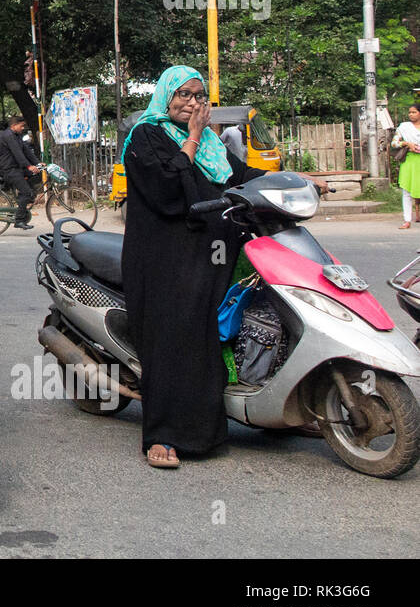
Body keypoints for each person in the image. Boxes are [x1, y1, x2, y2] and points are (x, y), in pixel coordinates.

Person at [120, 67, 326, 469]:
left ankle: (271, 410)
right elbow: (166, 190)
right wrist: (194, 137)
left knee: (248, 319)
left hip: (214, 251)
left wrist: (296, 179)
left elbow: (242, 176)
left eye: (199, 95)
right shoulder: (146, 137)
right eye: (183, 94)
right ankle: (163, 434)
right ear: (165, 96)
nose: (193, 103)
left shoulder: (213, 145)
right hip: (166, 260)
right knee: (177, 337)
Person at [0, 115, 42, 229]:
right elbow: (18, 153)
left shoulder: (16, 135)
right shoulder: (8, 136)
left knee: (35, 178)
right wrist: (28, 166)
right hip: (9, 169)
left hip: (17, 168)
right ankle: (19, 220)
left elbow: (26, 150)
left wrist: (38, 163)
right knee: (26, 192)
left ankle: (25, 199)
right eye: (21, 126)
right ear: (14, 125)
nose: (23, 128)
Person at [394, 103, 420, 230]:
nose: (411, 114)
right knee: (407, 191)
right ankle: (407, 220)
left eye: (414, 112)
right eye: (410, 112)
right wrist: (407, 143)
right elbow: (394, 143)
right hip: (409, 161)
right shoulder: (404, 127)